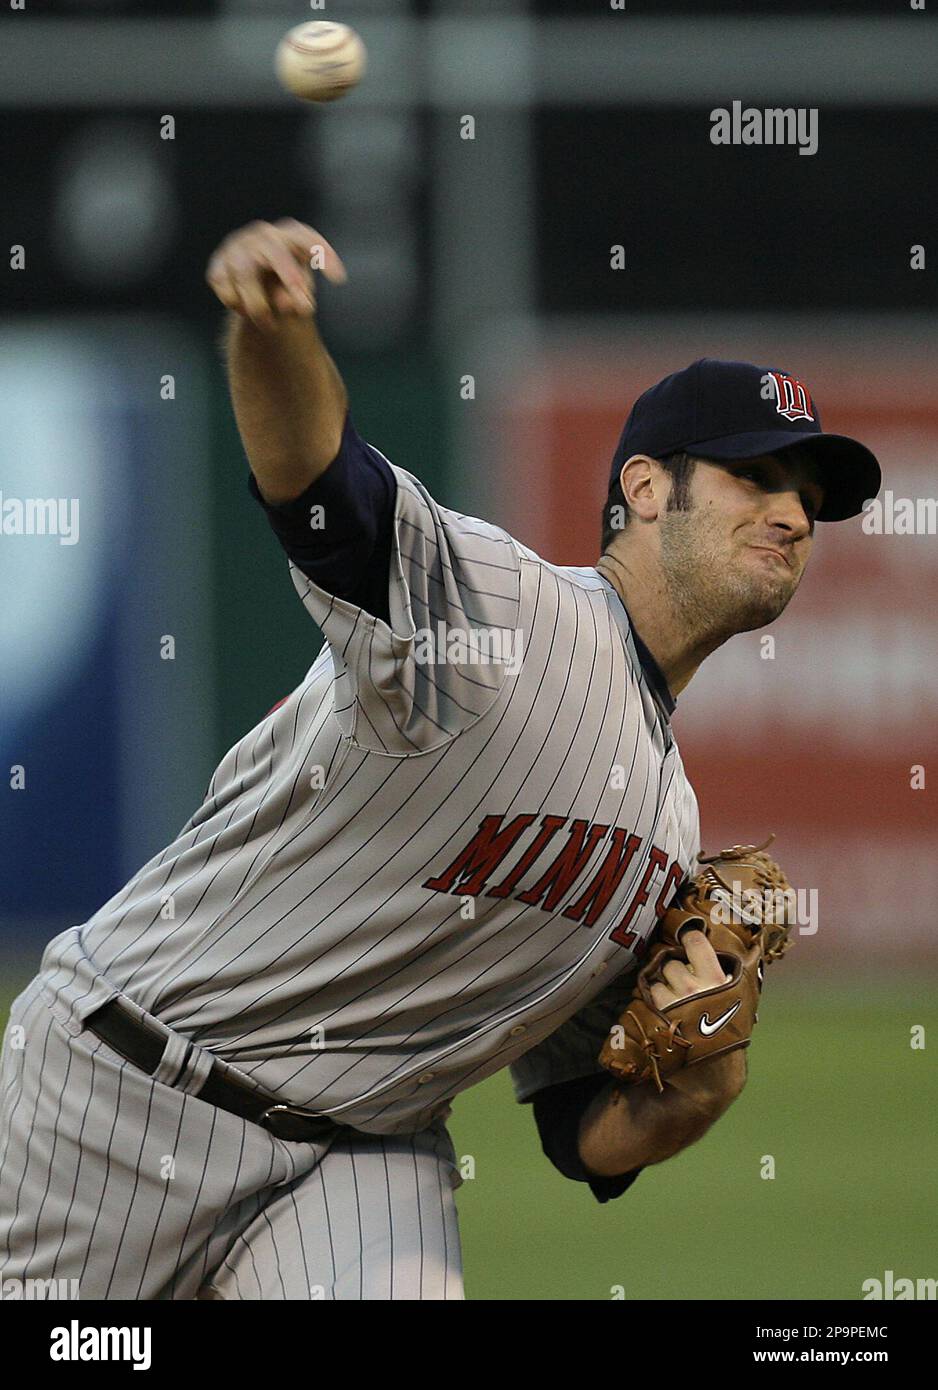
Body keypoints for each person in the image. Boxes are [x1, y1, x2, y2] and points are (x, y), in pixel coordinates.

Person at [0, 219, 881, 1300]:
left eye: (809, 496)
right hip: (121, 1088)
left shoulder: (669, 832)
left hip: (363, 1154)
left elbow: (575, 1128)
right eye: (754, 475)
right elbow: (323, 495)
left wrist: (702, 1090)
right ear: (646, 488)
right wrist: (272, 333)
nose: (791, 511)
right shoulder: (503, 611)